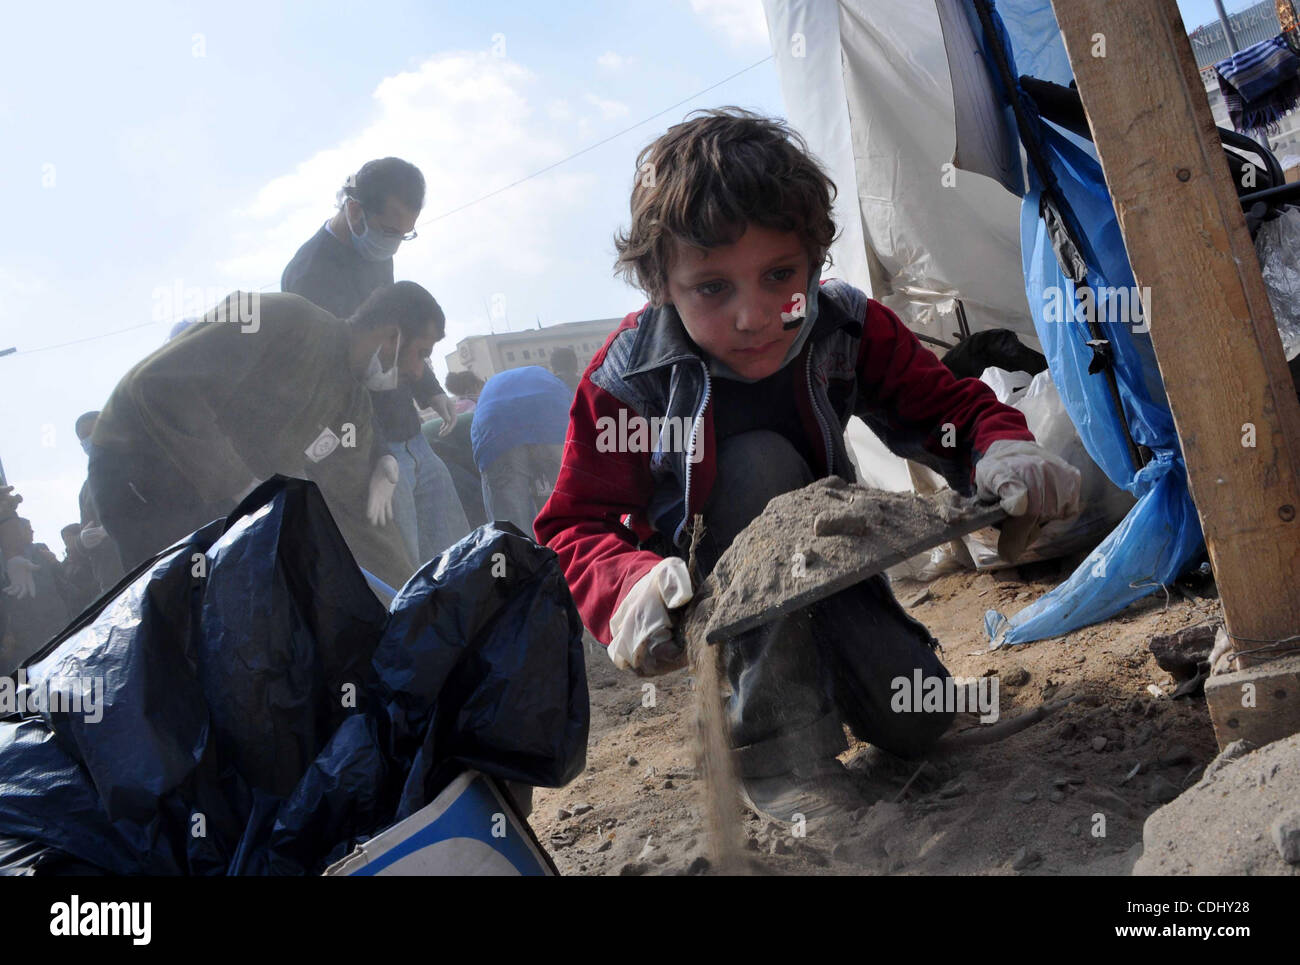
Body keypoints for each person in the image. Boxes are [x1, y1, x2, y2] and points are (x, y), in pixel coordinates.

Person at [534, 109, 1081, 823]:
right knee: (757, 467)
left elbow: (949, 410)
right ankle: (777, 755)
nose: (755, 315)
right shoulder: (627, 383)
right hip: (718, 601)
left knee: (916, 715)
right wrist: (628, 587)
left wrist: (1002, 447)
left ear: (816, 260)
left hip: (831, 559)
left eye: (779, 275)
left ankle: (882, 701)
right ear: (661, 283)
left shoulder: (846, 325)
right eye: (713, 288)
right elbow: (577, 523)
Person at [88, 282, 445, 591]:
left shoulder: (352, 406)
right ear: (392, 336)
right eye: (422, 354)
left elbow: (355, 506)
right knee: (186, 610)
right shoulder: (281, 316)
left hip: (218, 493)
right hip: (138, 466)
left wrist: (407, 599)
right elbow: (157, 386)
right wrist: (243, 484)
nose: (417, 372)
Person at [282, 157, 469, 566]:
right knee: (404, 574)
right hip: (369, 445)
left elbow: (399, 332)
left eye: (406, 234)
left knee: (455, 560)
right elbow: (334, 379)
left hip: (410, 435)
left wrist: (428, 388)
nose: (395, 243)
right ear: (354, 210)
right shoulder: (307, 276)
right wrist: (380, 454)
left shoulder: (379, 256)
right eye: (389, 230)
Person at [471, 366, 572, 534]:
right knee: (569, 509)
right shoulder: (549, 380)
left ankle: (521, 558)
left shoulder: (486, 397)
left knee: (513, 527)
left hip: (496, 432)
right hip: (552, 420)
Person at [0, 515, 70, 673]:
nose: (31, 531)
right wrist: (8, 633)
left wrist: (54, 563)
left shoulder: (41, 550)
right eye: (26, 528)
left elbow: (61, 580)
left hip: (55, 620)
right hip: (23, 630)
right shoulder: (4, 560)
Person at [73, 411, 125, 591]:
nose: (91, 440)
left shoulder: (140, 464)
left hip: (151, 566)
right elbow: (84, 534)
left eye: (95, 431)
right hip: (113, 584)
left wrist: (118, 526)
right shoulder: (86, 490)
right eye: (85, 437)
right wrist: (82, 542)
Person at [58, 523, 100, 615]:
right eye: (64, 538)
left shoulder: (92, 554)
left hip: (99, 600)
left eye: (68, 536)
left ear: (78, 535)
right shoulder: (65, 564)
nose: (66, 540)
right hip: (79, 610)